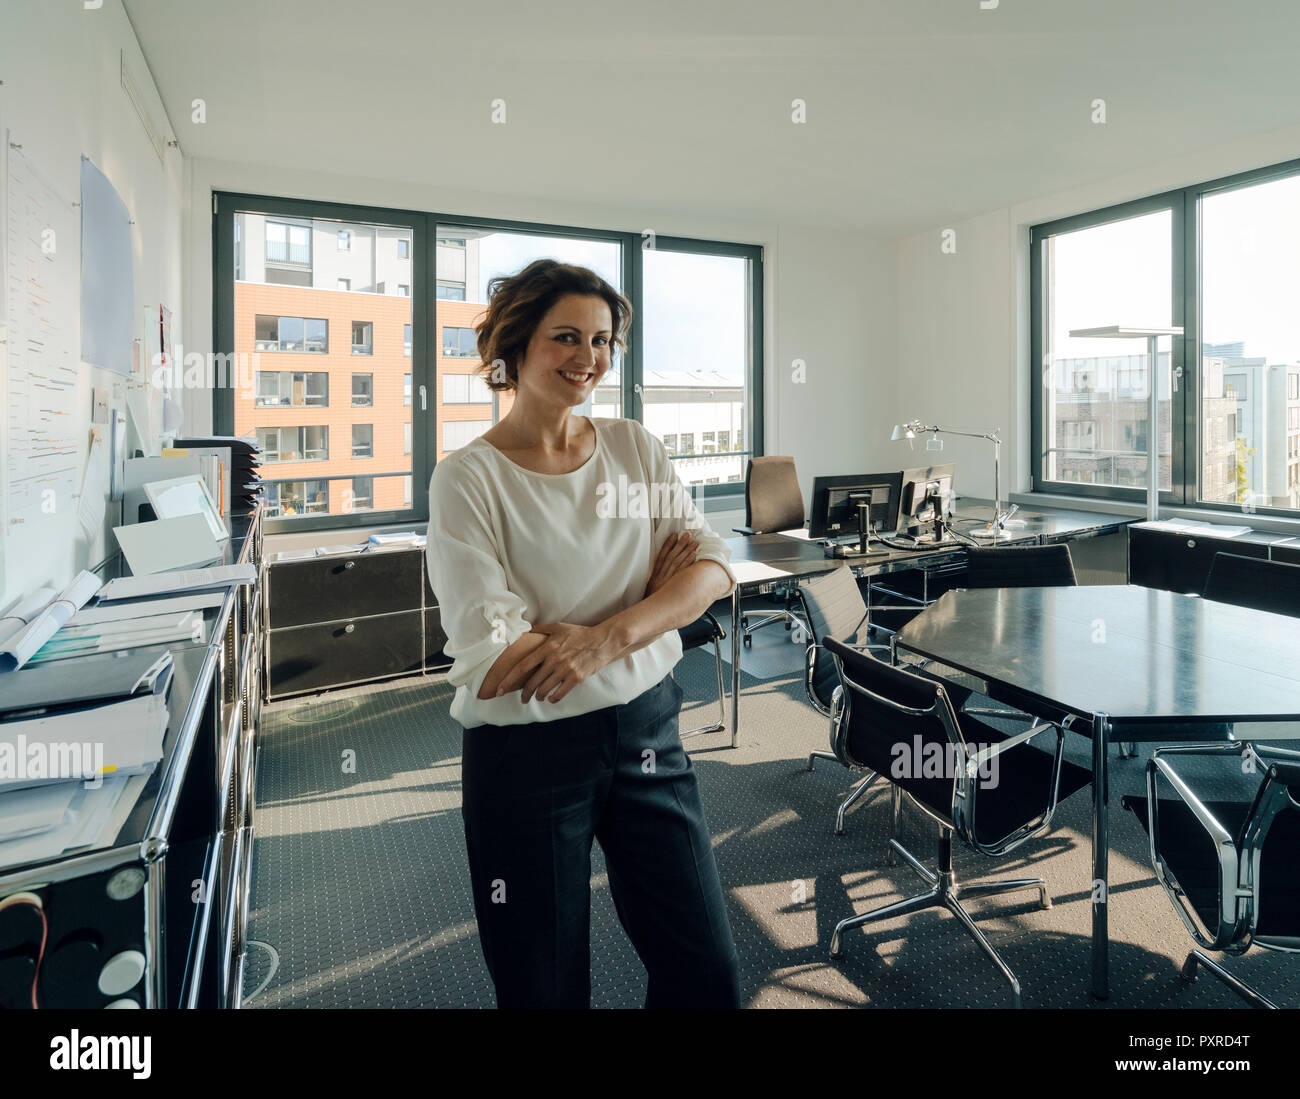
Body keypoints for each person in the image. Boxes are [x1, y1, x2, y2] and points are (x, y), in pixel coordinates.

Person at [426, 259, 742, 1009]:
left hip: (648, 730)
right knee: (544, 984)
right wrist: (657, 592)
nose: (588, 358)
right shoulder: (469, 479)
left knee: (706, 970)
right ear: (517, 344)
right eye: (566, 336)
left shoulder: (634, 448)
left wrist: (601, 637)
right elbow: (498, 659)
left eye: (602, 340)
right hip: (527, 752)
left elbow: (715, 569)